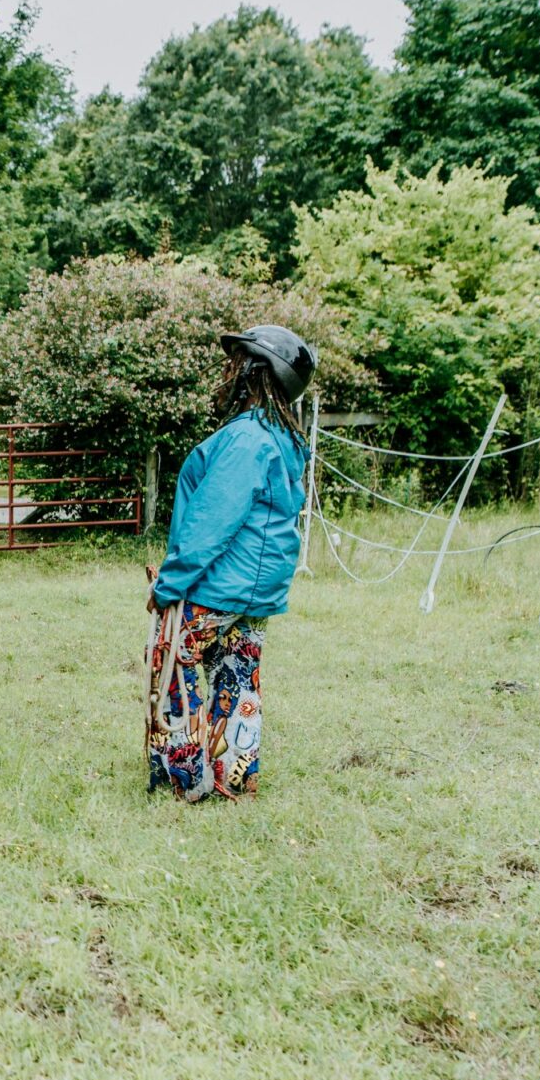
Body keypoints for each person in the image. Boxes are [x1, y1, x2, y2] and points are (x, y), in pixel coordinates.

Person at [144, 324, 315, 803]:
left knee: (171, 666)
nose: (228, 370)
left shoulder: (246, 440)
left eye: (236, 361)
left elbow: (211, 521)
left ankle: (185, 779)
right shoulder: (283, 438)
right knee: (237, 678)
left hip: (218, 586)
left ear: (255, 373)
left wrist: (169, 586)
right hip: (255, 593)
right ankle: (233, 775)